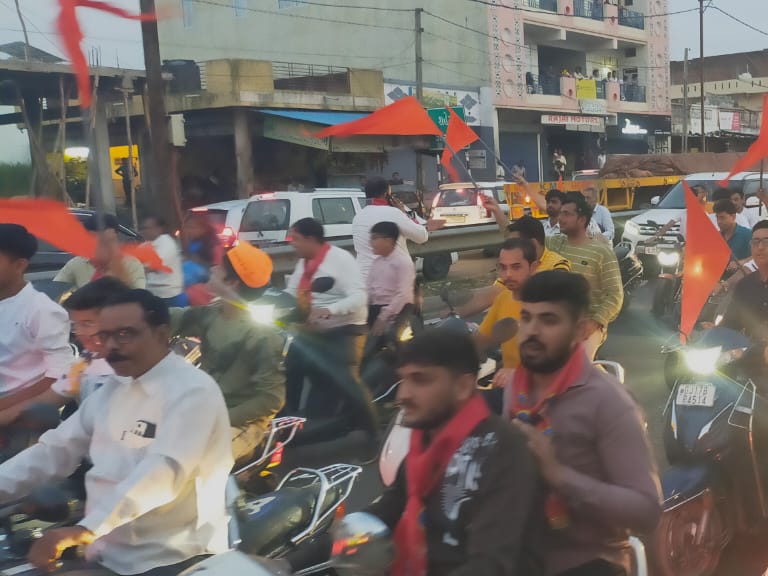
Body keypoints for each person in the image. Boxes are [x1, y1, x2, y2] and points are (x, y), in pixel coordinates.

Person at [0, 289, 233, 575]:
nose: (111, 346)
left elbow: (164, 473)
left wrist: (87, 527)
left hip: (171, 556)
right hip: (105, 549)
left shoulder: (193, 392)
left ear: (161, 334)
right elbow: (55, 450)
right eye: (104, 336)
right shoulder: (113, 388)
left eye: (125, 334)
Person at [506, 271, 661, 576]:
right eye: (526, 318)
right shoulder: (517, 388)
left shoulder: (609, 402)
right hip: (517, 553)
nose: (531, 331)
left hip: (586, 563)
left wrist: (557, 475)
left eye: (548, 320)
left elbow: (646, 511)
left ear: (580, 330)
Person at [367, 329, 545, 576]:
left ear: (462, 386)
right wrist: (336, 538)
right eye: (403, 380)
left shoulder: (503, 449)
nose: (403, 395)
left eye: (420, 380)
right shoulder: (425, 441)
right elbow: (393, 503)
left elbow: (490, 563)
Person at [171, 242, 285, 465]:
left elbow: (271, 399)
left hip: (240, 424)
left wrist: (220, 418)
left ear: (232, 282)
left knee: (188, 467)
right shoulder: (214, 313)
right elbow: (174, 318)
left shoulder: (262, 336)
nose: (213, 269)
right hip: (204, 410)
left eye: (219, 268)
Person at [284, 218, 377, 439]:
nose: (292, 244)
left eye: (295, 239)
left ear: (310, 239)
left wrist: (331, 310)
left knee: (347, 379)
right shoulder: (303, 263)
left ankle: (373, 433)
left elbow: (359, 296)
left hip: (345, 329)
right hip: (310, 331)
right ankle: (286, 427)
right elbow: (290, 292)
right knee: (287, 370)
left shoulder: (340, 260)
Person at [0, 277, 129, 426]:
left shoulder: (135, 368)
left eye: (88, 324)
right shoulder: (85, 361)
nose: (80, 333)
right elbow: (50, 397)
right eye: (76, 325)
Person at [0, 224, 73, 406]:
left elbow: (61, 376)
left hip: (18, 417)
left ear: (19, 265)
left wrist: (7, 406)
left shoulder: (41, 310)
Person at [547, 192, 623, 359]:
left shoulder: (602, 252)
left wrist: (594, 323)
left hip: (589, 324)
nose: (560, 218)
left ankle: (609, 384)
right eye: (560, 213)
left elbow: (615, 296)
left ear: (582, 219)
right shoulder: (554, 243)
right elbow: (524, 241)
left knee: (580, 366)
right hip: (557, 322)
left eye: (566, 214)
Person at [454, 214, 570, 319]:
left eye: (515, 243)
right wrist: (456, 314)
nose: (508, 274)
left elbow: (557, 292)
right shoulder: (511, 265)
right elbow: (494, 293)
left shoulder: (558, 264)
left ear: (533, 243)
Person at [352, 176, 444, 281]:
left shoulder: (357, 217)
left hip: (363, 280)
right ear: (387, 195)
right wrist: (404, 213)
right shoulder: (394, 213)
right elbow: (422, 236)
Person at [474, 239, 538, 372]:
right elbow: (480, 339)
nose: (508, 274)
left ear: (533, 267)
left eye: (516, 267)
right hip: (508, 386)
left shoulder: (546, 305)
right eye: (503, 267)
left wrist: (514, 374)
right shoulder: (503, 298)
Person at [55, 214, 146, 290]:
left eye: (108, 241)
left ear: (116, 236)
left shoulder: (131, 264)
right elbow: (56, 290)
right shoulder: (77, 263)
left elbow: (140, 297)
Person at [721, 220, 768, 344]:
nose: (760, 247)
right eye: (755, 242)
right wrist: (716, 331)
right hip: (748, 354)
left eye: (766, 241)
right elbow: (731, 323)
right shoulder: (744, 285)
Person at [366, 221, 416, 337]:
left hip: (398, 311)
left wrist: (383, 317)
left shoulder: (403, 262)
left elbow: (403, 294)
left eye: (374, 238)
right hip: (376, 309)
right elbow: (369, 290)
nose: (370, 243)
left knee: (394, 343)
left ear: (388, 240)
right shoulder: (376, 262)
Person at [139, 215, 184, 306]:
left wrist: (136, 269)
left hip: (169, 296)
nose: (144, 231)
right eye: (143, 228)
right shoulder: (145, 245)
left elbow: (156, 265)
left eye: (148, 228)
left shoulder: (167, 242)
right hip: (153, 294)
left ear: (159, 229)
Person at [714, 199, 752, 263]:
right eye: (717, 217)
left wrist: (742, 262)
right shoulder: (716, 237)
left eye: (722, 217)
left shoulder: (747, 234)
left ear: (733, 216)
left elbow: (759, 256)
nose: (719, 221)